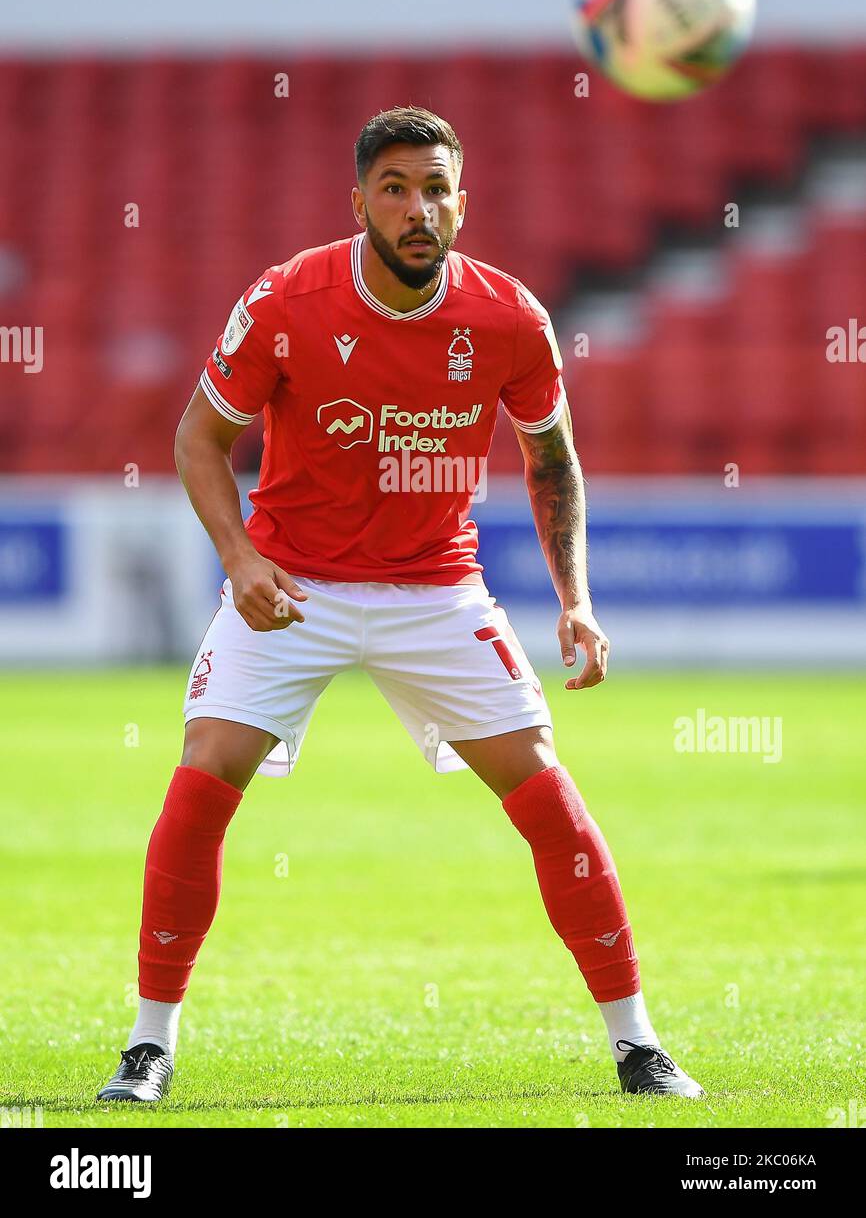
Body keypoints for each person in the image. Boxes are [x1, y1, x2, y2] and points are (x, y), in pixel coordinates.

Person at [98, 106, 703, 1103]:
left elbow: (550, 460)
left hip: (435, 592)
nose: (417, 208)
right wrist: (239, 555)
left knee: (548, 796)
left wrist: (575, 601)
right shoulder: (288, 299)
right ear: (360, 204)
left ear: (462, 201)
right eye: (395, 188)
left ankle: (636, 1044)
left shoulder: (510, 319)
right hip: (291, 586)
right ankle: (147, 1043)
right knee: (202, 778)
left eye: (435, 188)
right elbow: (197, 439)